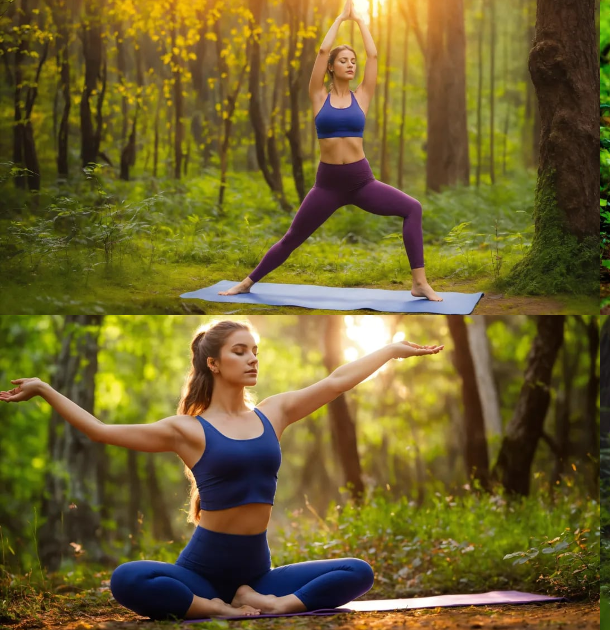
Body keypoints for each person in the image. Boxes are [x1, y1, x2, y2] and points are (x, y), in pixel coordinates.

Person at [0, 320, 444, 619]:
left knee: (358, 572)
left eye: (255, 351)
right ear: (213, 363)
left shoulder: (275, 412)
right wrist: (44, 389)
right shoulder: (187, 430)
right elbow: (99, 430)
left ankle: (271, 605)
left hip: (259, 574)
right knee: (127, 579)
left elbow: (336, 381)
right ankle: (221, 610)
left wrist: (389, 350)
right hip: (201, 572)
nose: (252, 359)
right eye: (240, 352)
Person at [219, 0, 442, 301]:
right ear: (332, 67)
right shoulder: (318, 96)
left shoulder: (362, 96)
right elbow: (322, 52)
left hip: (361, 181)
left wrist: (361, 20)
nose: (351, 64)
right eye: (345, 60)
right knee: (292, 238)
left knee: (412, 207)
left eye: (353, 60)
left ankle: (419, 282)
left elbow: (374, 54)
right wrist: (339, 19)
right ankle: (246, 283)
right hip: (328, 185)